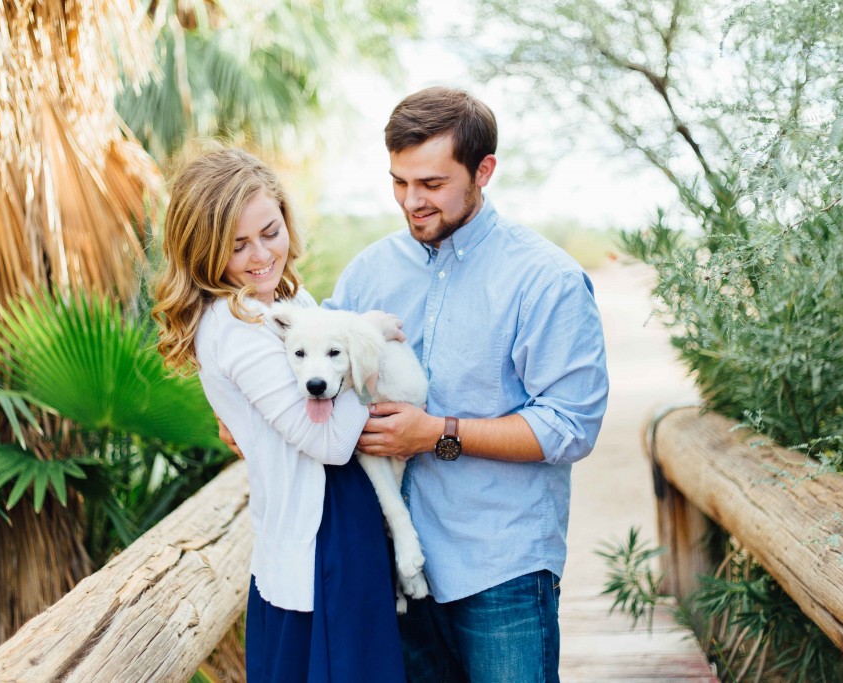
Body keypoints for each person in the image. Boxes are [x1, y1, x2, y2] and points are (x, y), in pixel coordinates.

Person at [219, 86, 609, 681]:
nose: (411, 201)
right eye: (399, 182)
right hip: (385, 568)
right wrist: (244, 419)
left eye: (431, 184)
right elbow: (310, 370)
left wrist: (436, 434)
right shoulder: (367, 273)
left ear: (485, 171)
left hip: (499, 568)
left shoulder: (546, 280)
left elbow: (571, 427)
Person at [152, 145, 406, 683]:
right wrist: (365, 349)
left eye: (270, 231)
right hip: (322, 528)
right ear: (204, 252)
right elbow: (332, 445)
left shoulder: (282, 300)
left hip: (333, 518)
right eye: (237, 245)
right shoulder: (240, 323)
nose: (260, 255)